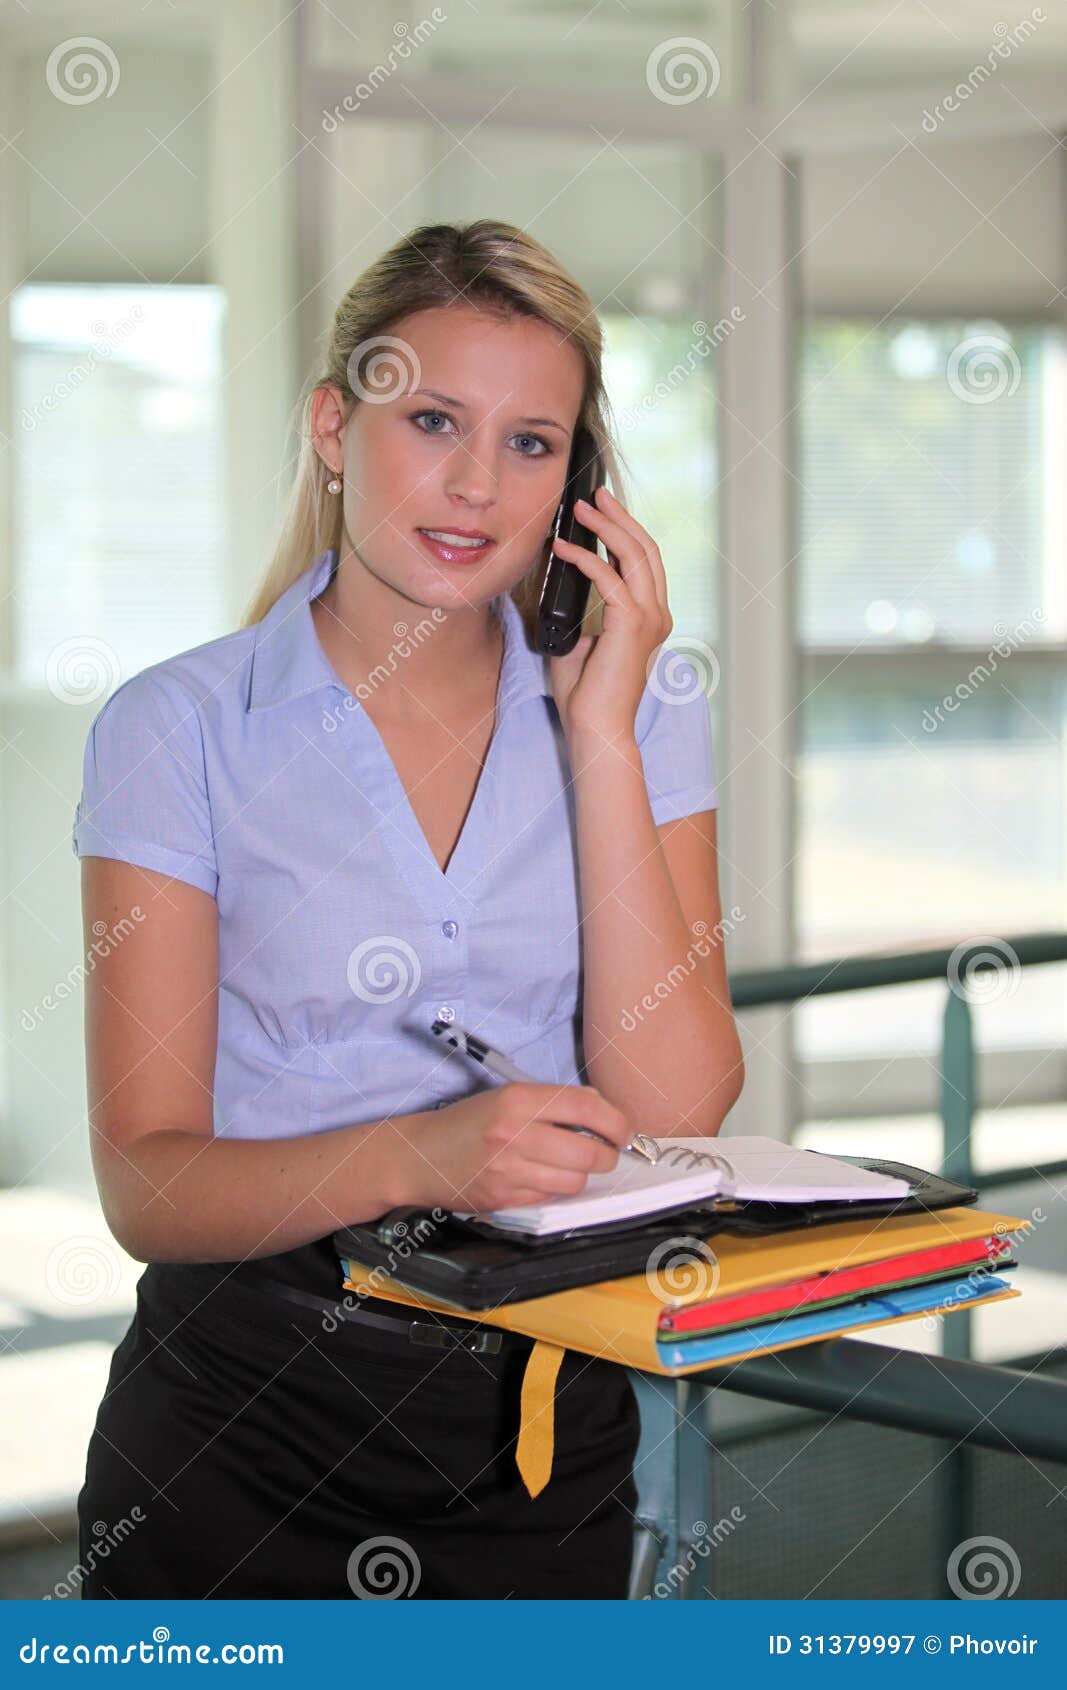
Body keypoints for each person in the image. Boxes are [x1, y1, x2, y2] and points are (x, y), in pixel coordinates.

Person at [71, 218, 744, 1600]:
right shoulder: (177, 728)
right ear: (334, 425)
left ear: (585, 484)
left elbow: (677, 1100)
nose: (477, 484)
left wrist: (600, 736)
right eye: (432, 417)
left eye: (533, 442)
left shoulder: (643, 712)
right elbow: (145, 1182)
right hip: (230, 1443)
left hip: (536, 1442)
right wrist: (419, 1155)